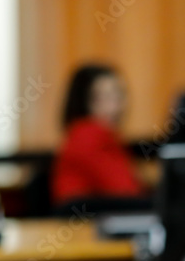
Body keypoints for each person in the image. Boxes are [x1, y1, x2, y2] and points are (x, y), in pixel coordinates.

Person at [51, 64, 144, 207]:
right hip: (85, 219)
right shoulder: (87, 136)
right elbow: (126, 190)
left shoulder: (102, 136)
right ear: (84, 102)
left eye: (119, 95)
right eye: (104, 98)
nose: (116, 107)